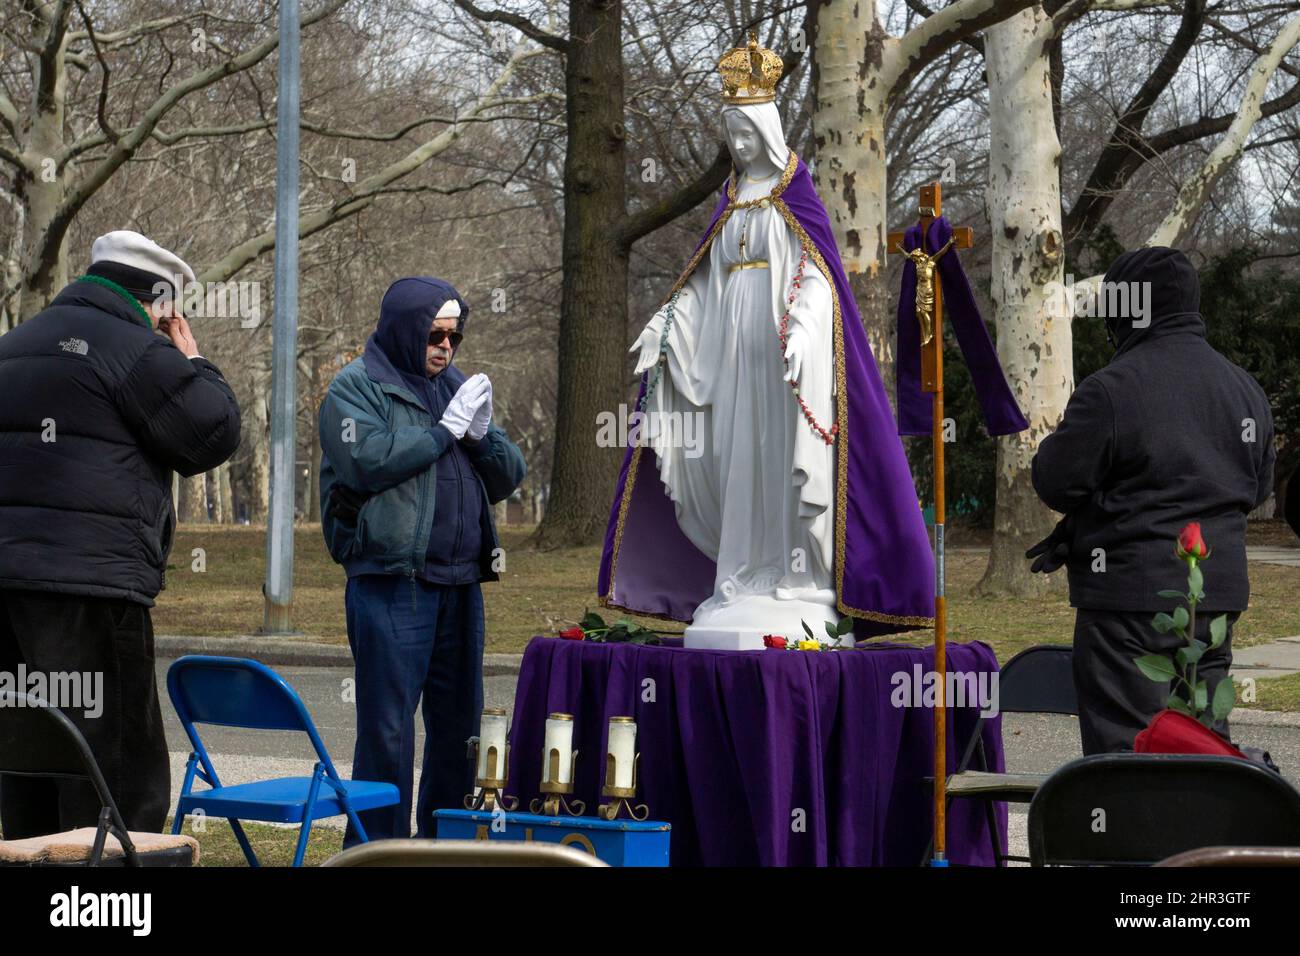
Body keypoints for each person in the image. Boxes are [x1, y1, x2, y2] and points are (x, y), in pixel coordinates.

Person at [0, 230, 242, 836]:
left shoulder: (12, 345)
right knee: (118, 777)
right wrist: (194, 363)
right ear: (159, 305)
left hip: (7, 589)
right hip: (95, 591)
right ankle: (114, 904)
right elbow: (212, 434)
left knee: (31, 764)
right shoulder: (139, 351)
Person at [1028, 246, 1274, 754]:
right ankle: (1203, 834)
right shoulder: (1245, 391)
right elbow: (1257, 488)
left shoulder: (1112, 390)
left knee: (1129, 757)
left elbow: (1056, 480)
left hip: (1126, 604)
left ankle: (1132, 834)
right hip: (1215, 598)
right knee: (1206, 751)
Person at [318, 276, 525, 844]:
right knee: (388, 734)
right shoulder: (356, 387)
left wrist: (479, 436)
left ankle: (446, 847)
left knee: (461, 729)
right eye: (435, 334)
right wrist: (441, 433)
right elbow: (366, 458)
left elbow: (510, 476)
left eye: (454, 337)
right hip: (391, 583)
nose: (445, 347)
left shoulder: (454, 384)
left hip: (460, 584)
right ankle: (378, 853)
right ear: (405, 328)